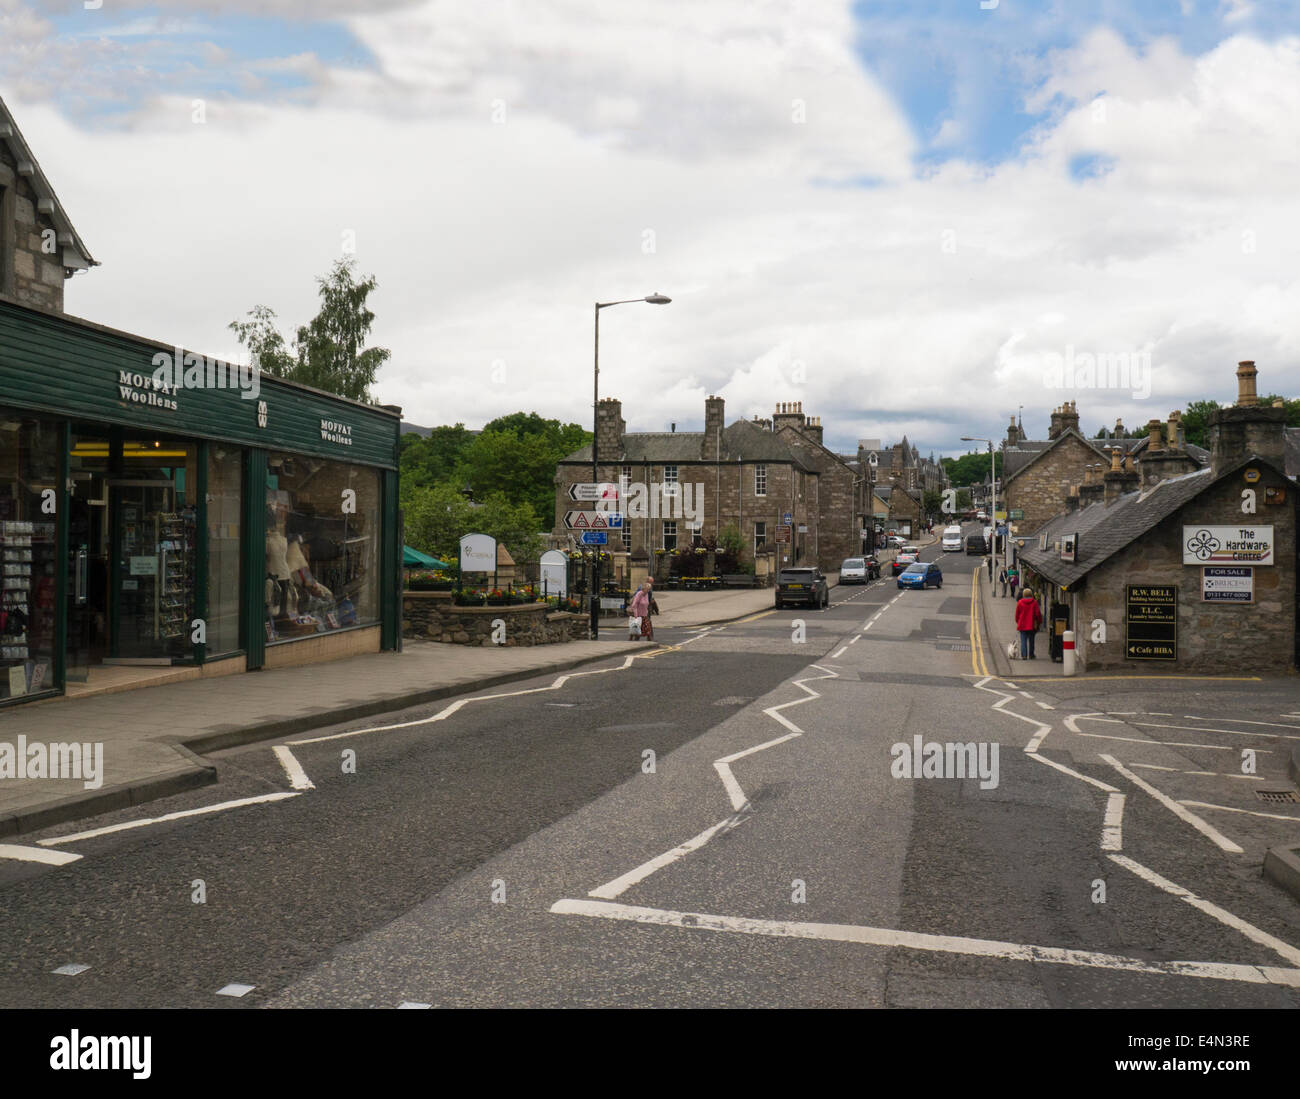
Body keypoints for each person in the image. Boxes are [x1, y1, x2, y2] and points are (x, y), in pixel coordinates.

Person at [1015, 587, 1043, 659]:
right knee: (1031, 640)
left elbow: (1017, 614)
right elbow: (1037, 614)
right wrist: (1039, 621)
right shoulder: (1034, 602)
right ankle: (1031, 654)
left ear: (1023, 594)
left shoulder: (1020, 602)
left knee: (1023, 640)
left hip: (1022, 624)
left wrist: (1018, 621)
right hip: (1032, 625)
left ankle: (1024, 655)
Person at [641, 576, 659, 641]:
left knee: (647, 622)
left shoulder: (648, 589)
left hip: (647, 608)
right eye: (651, 582)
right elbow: (636, 600)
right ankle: (635, 637)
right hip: (643, 609)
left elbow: (648, 599)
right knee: (644, 622)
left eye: (652, 582)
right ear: (647, 582)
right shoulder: (642, 589)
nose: (652, 584)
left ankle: (649, 637)